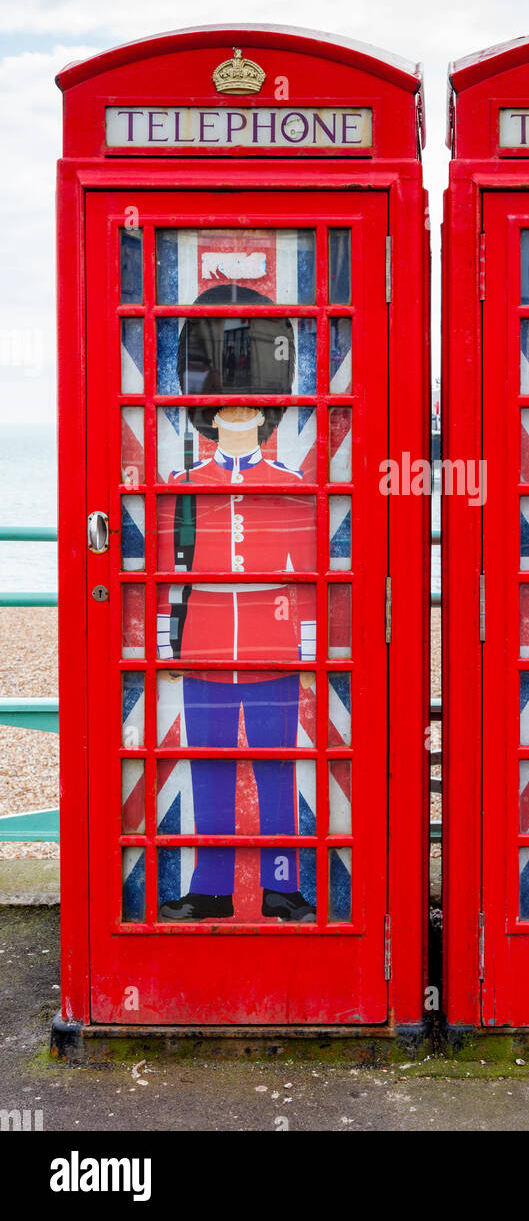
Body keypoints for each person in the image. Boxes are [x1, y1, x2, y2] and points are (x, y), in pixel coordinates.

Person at [157, 287, 318, 923]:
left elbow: (307, 577)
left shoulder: (291, 487)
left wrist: (306, 644)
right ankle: (211, 887)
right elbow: (173, 576)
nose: (239, 412)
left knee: (279, 772)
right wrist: (168, 645)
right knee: (210, 772)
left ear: (267, 413)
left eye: (251, 405)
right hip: (203, 647)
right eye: (227, 405)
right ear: (208, 413)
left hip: (274, 646)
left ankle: (282, 886)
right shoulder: (185, 489)